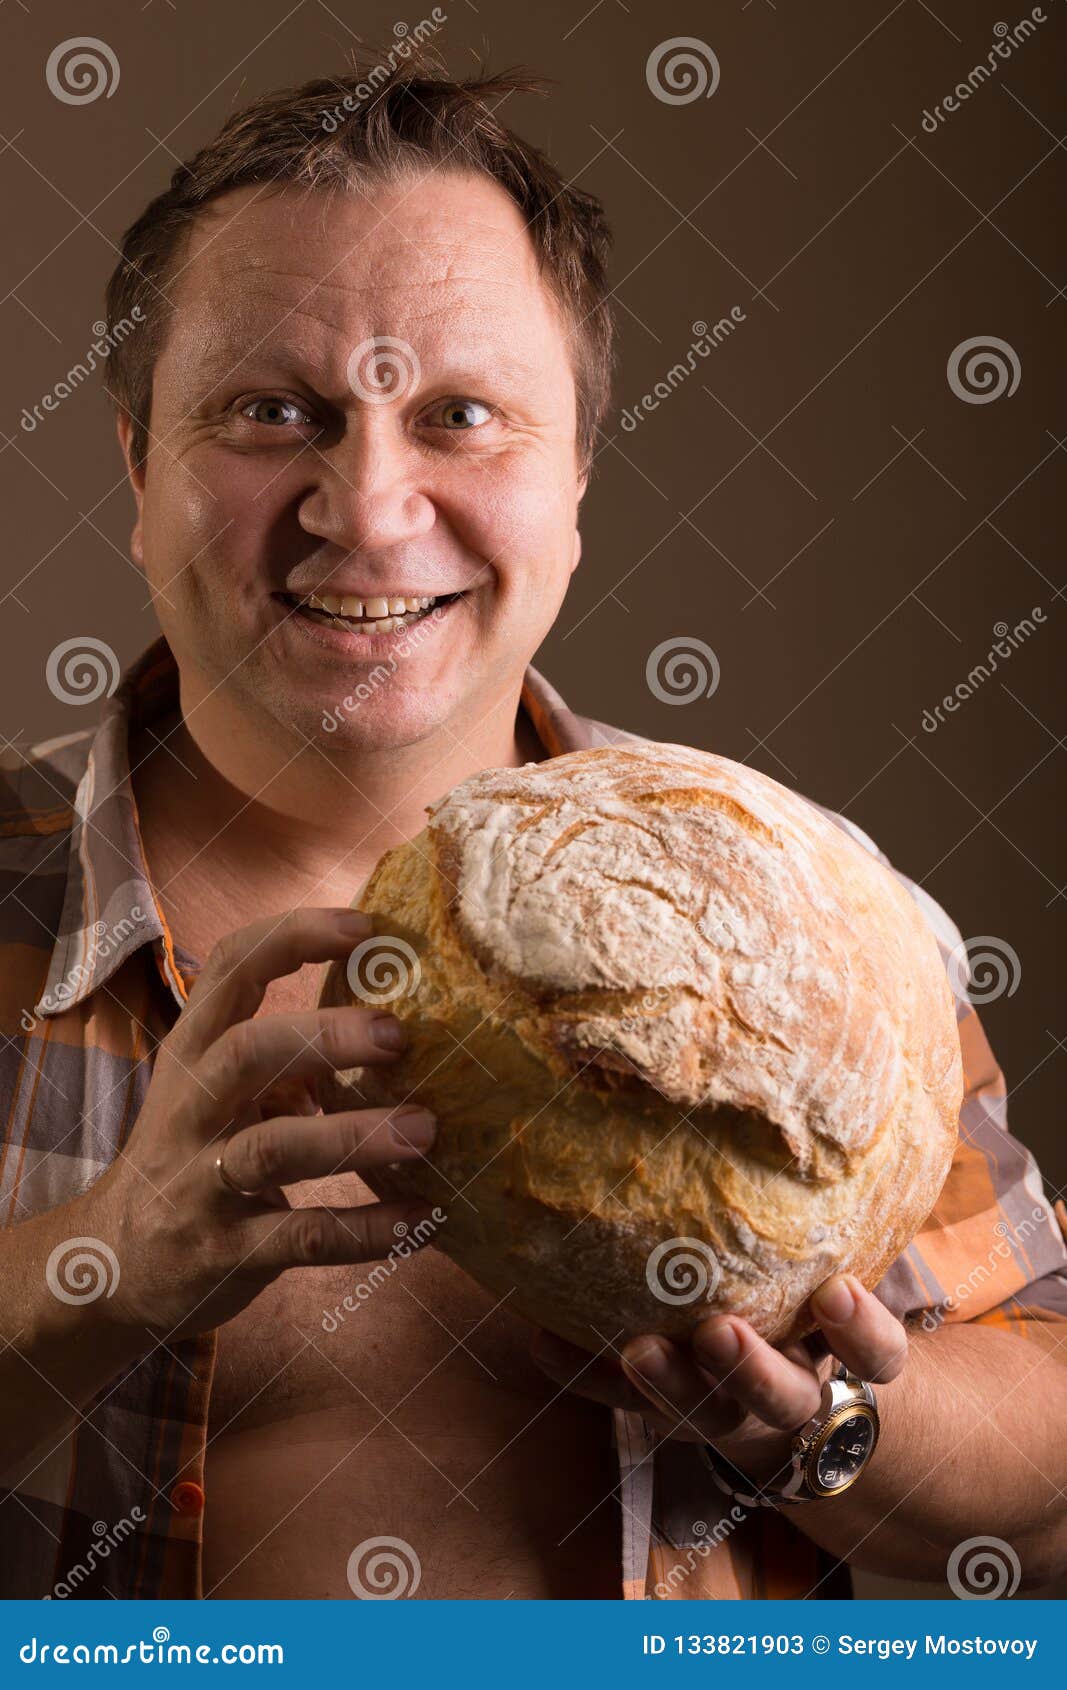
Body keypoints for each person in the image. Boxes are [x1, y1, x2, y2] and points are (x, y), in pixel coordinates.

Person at [1, 58, 1065, 1603]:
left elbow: (1045, 1480)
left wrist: (830, 1421)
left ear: (574, 479)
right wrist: (97, 1268)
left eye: (461, 416)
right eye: (268, 411)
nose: (368, 508)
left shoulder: (808, 914)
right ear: (135, 463)